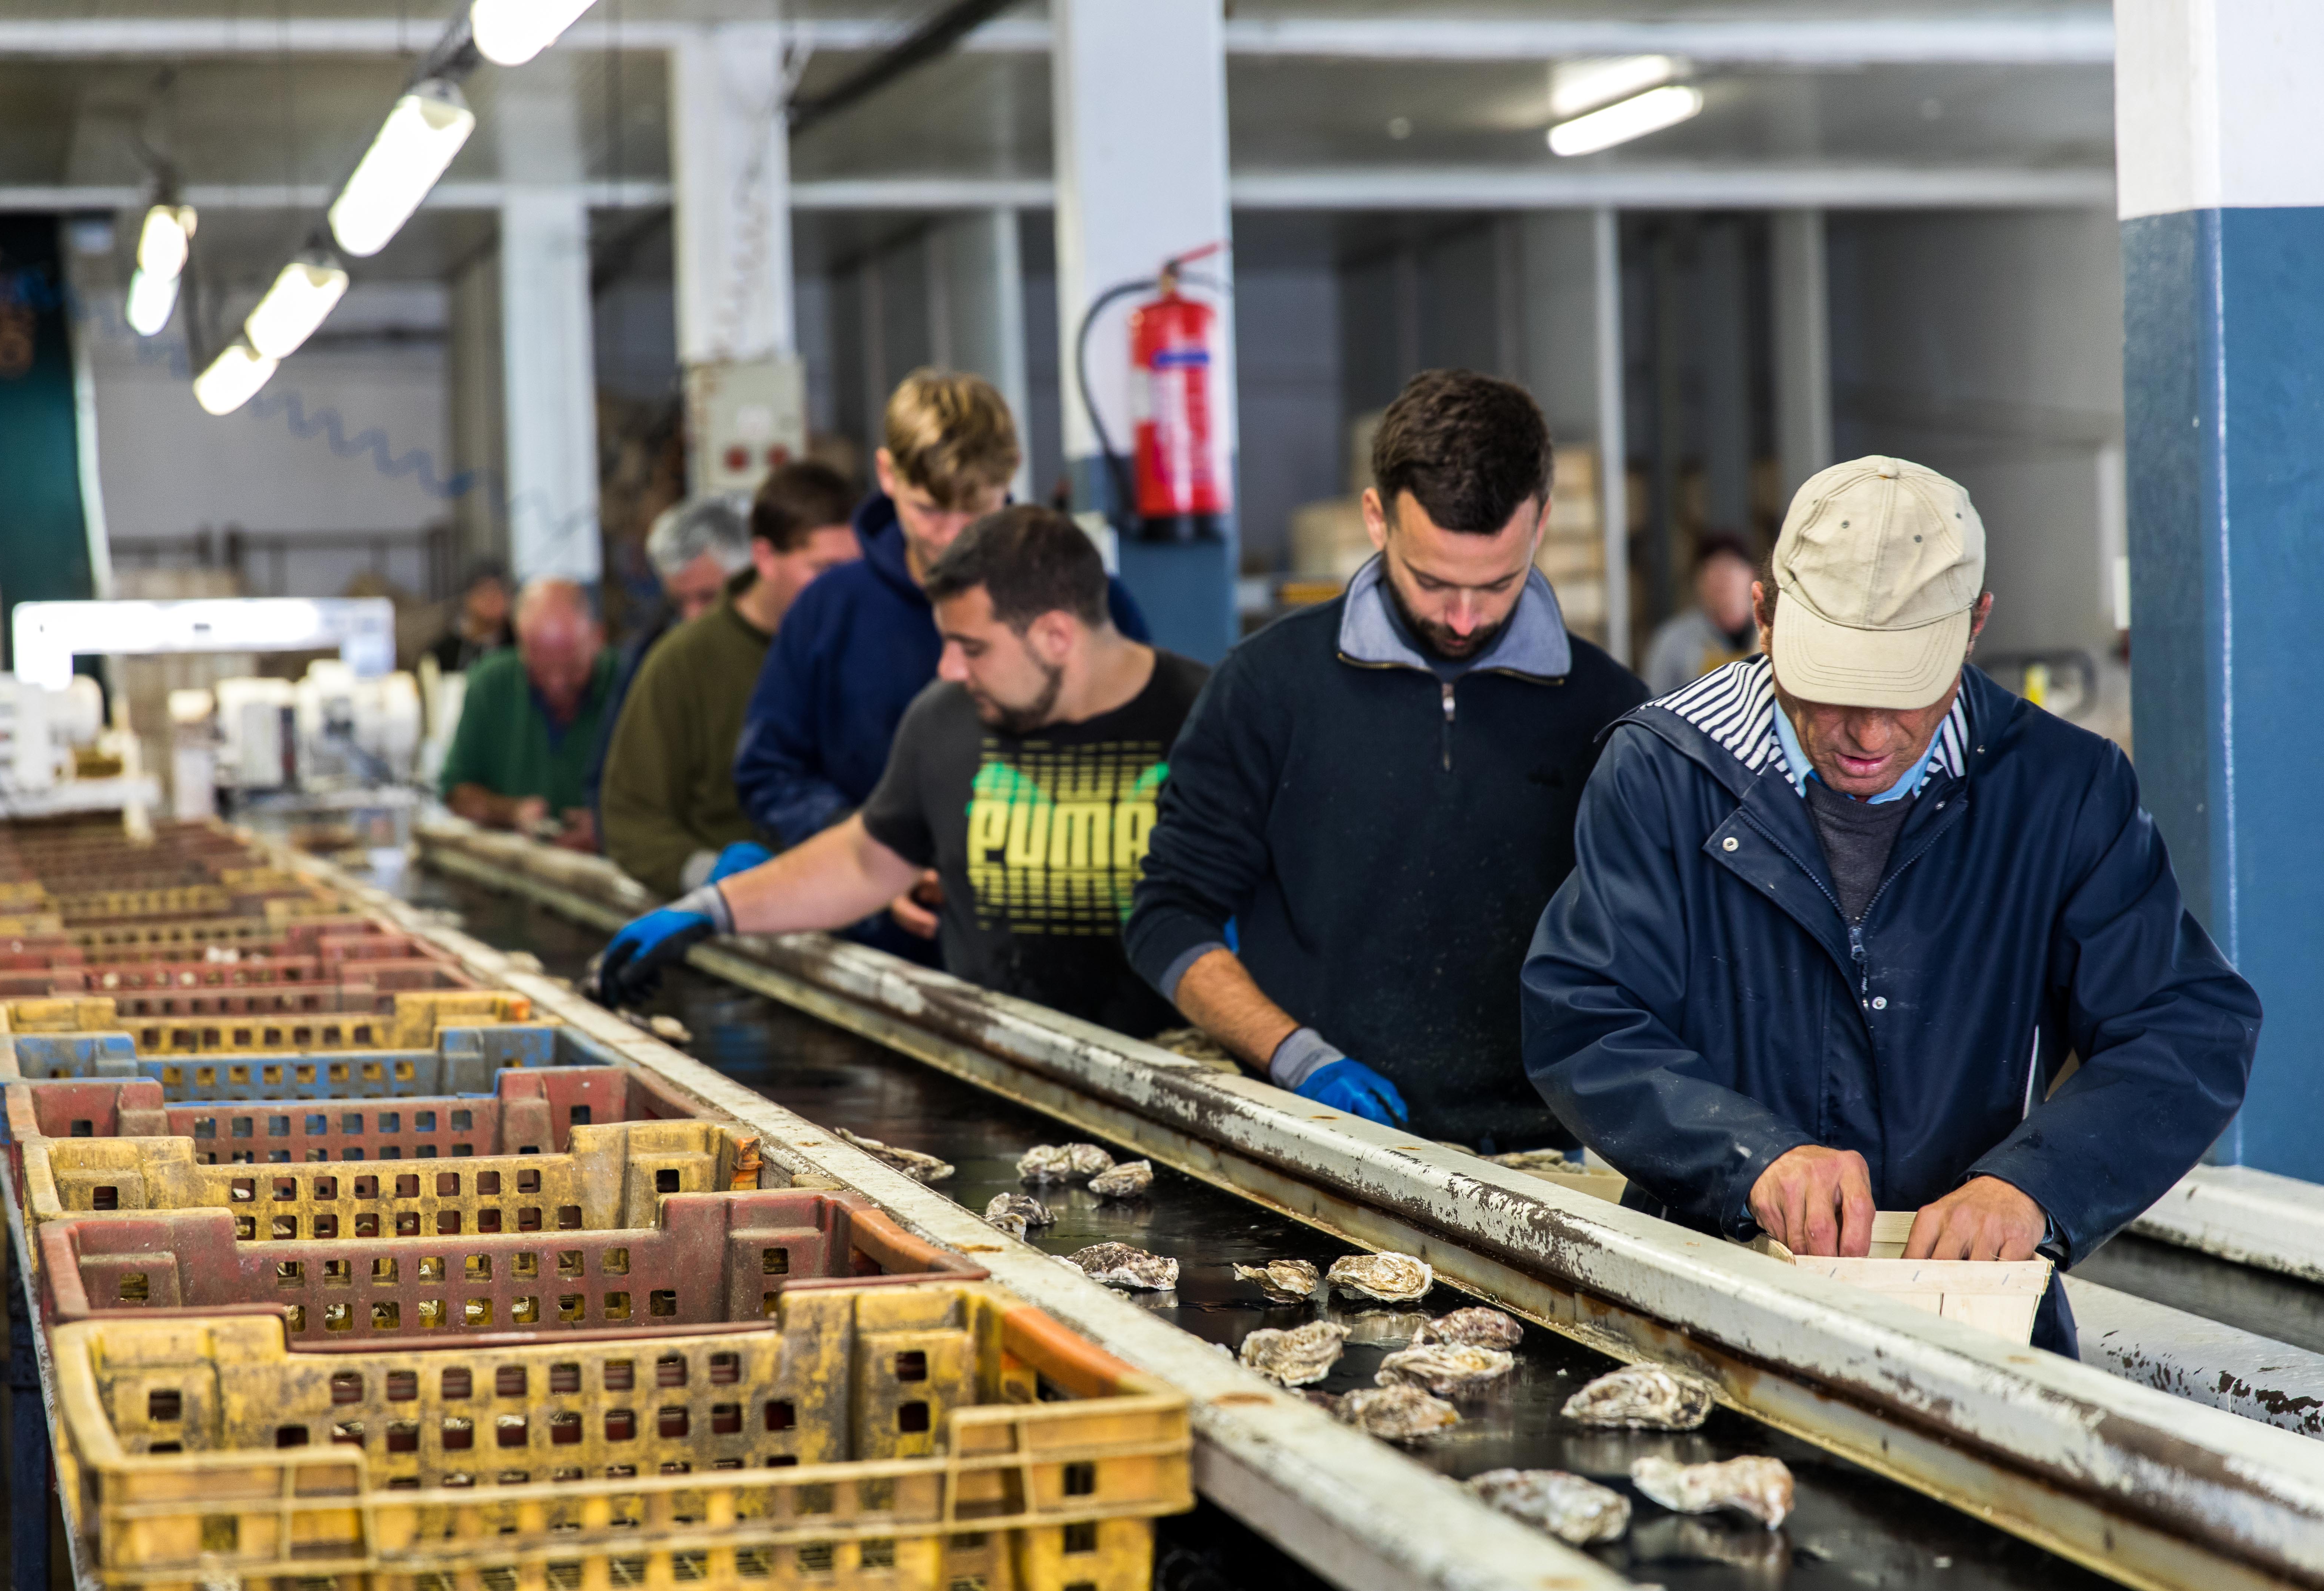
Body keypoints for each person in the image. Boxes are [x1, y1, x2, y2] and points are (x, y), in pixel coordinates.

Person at [1518, 456, 2261, 1358]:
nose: (1868, 734)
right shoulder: (1665, 773)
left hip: (1972, 1319)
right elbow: (1583, 1014)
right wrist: (1749, 1156)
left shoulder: (2061, 790)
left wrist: (2033, 1189)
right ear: (1764, 614)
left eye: (1906, 689)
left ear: (1976, 625)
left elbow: (2186, 1028)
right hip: (1708, 1313)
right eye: (1832, 688)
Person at [1122, 370, 1646, 1145]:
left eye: (1497, 583)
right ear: (1377, 518)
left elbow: (1658, 951)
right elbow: (1167, 919)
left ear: (1538, 523)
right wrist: (1297, 1058)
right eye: (1433, 580)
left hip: (1543, 1163)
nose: (1464, 618)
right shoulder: (1267, 688)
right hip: (1315, 1138)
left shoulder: (1611, 715)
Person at [598, 506, 1205, 1036]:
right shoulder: (946, 720)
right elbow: (866, 860)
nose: (948, 669)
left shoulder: (1207, 724)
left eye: (971, 647)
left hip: (1182, 1079)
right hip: (1009, 1071)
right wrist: (711, 909)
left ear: (1054, 635)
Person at [735, 369, 1150, 954]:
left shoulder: (1091, 604)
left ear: (1011, 475)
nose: (954, 537)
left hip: (1060, 955)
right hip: (875, 951)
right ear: (887, 476)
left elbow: (1147, 764)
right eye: (930, 510)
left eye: (977, 509)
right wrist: (871, 856)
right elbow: (769, 770)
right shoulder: (828, 612)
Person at [600, 462, 862, 896]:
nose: (844, 587)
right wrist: (711, 876)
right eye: (822, 569)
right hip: (742, 924)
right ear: (764, 558)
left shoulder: (868, 643)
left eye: (854, 569)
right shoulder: (683, 663)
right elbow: (631, 818)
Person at [581, 498, 750, 818]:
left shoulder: (785, 650)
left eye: (708, 597)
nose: (693, 616)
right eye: (679, 602)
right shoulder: (650, 659)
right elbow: (609, 785)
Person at [437, 576, 618, 850]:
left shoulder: (630, 684)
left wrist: (610, 828)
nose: (557, 684)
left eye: (571, 669)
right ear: (521, 646)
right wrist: (511, 812)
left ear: (598, 638)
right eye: (542, 670)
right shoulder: (491, 683)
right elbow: (456, 792)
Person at [1642, 531, 1758, 693]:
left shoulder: (1772, 635)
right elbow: (1653, 704)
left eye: (1731, 567)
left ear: (1751, 575)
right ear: (1700, 580)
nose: (1723, 579)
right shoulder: (1673, 642)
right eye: (1715, 570)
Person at [425, 566, 512, 672]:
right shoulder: (446, 651)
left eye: (497, 594)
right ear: (469, 598)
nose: (491, 601)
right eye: (484, 593)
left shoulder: (518, 647)